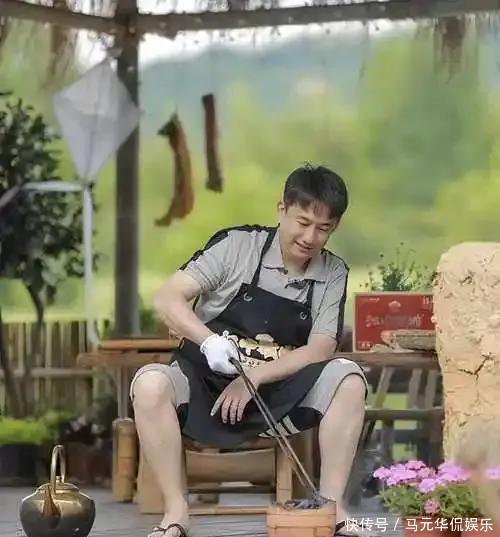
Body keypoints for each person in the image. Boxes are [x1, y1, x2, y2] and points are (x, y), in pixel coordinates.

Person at [130, 164, 369, 537]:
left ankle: (331, 510)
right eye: (303, 222)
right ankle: (176, 512)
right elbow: (168, 298)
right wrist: (208, 341)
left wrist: (254, 377)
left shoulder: (333, 272)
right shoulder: (236, 246)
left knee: (350, 379)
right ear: (281, 209)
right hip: (204, 387)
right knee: (148, 385)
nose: (310, 237)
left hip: (278, 398)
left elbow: (321, 348)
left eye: (323, 228)